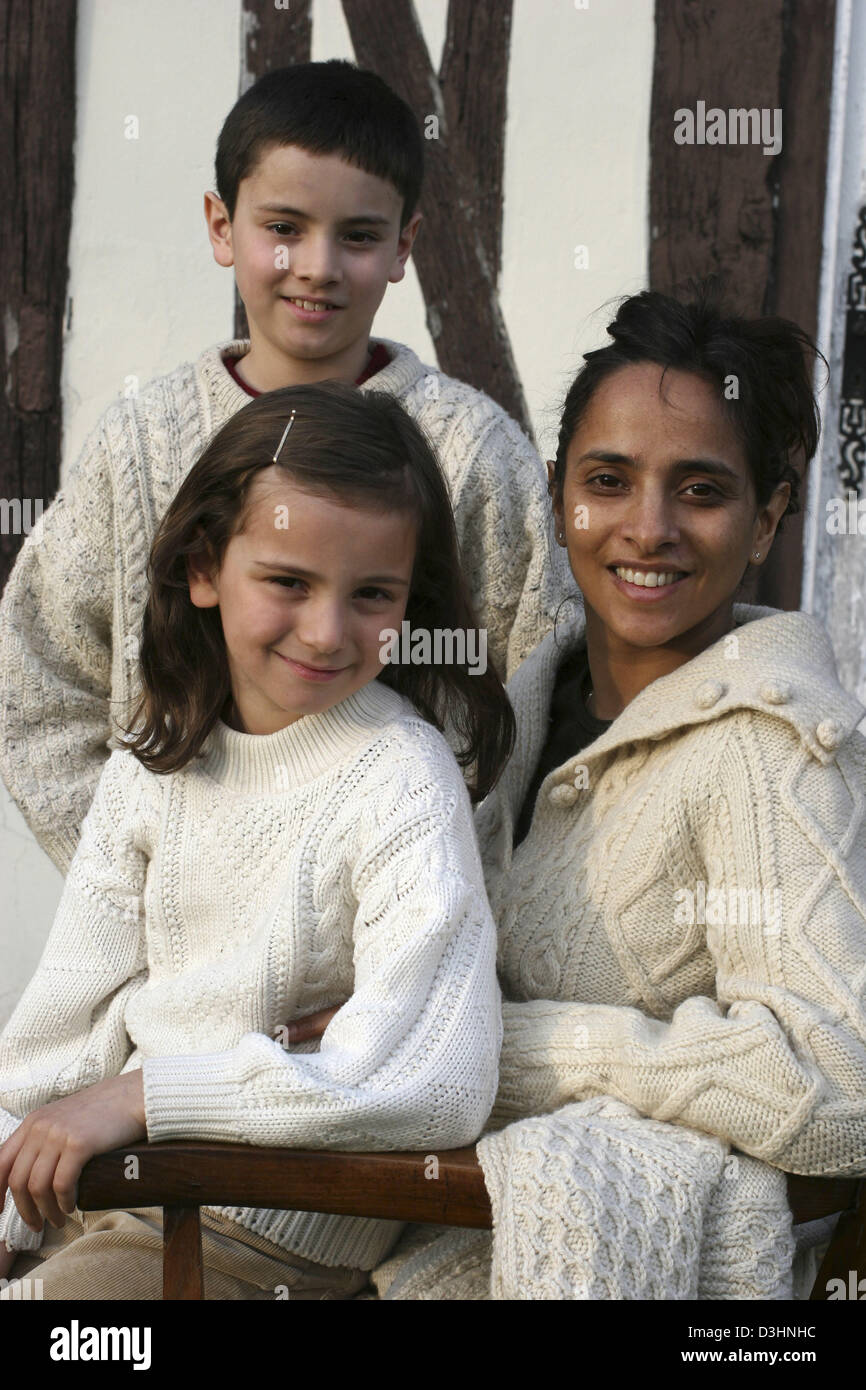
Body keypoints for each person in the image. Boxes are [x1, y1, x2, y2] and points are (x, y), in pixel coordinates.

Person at [363, 283, 866, 1299]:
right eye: (608, 480)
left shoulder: (768, 748)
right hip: (395, 1223)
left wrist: (496, 1047)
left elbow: (836, 1088)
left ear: (765, 518)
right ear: (558, 497)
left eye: (699, 490)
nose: (647, 529)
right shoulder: (504, 719)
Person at [0, 382, 512, 1300]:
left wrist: (148, 1098)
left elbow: (437, 1076)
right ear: (204, 569)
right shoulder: (152, 770)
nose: (326, 631)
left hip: (258, 1238)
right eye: (288, 582)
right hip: (109, 1207)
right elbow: (55, 1049)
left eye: (372, 595)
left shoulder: (401, 776)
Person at [0, 58, 566, 879]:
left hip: (390, 932)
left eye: (360, 236)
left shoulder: (471, 451)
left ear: (405, 244)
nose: (318, 266)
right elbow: (37, 674)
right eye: (285, 228)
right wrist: (139, 886)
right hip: (170, 942)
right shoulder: (141, 444)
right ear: (222, 227)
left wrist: (429, 903)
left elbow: (536, 682)